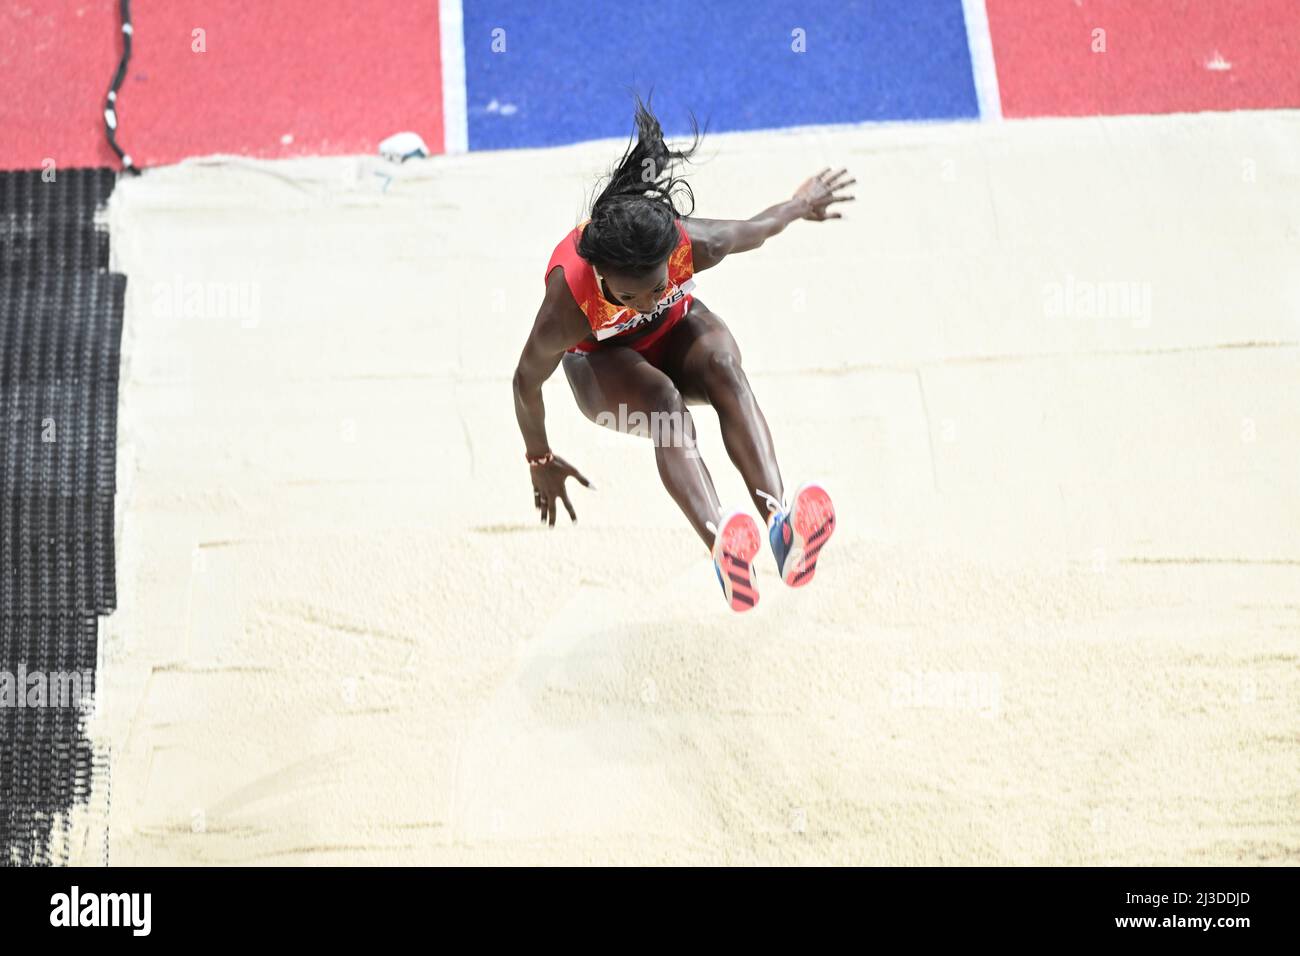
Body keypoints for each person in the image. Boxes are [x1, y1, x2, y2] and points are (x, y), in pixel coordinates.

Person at [512, 95, 852, 612]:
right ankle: (722, 545)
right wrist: (539, 458)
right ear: (601, 273)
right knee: (665, 404)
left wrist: (802, 204)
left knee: (723, 366)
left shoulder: (694, 244)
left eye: (654, 288)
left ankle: (781, 527)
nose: (644, 304)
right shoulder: (567, 307)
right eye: (626, 296)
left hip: (677, 337)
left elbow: (756, 230)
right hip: (603, 366)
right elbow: (525, 382)